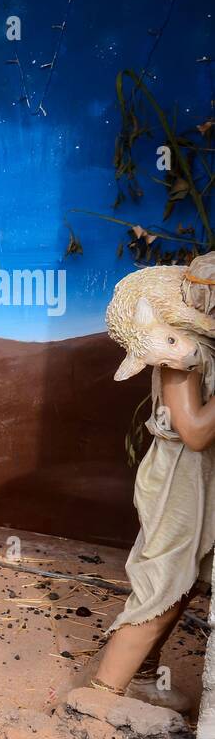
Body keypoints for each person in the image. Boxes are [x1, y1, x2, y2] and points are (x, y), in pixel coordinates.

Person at [93, 264, 215, 712]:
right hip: (182, 476)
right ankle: (98, 699)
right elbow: (196, 433)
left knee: (187, 582)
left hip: (203, 476)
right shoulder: (184, 351)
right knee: (163, 580)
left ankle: (144, 678)